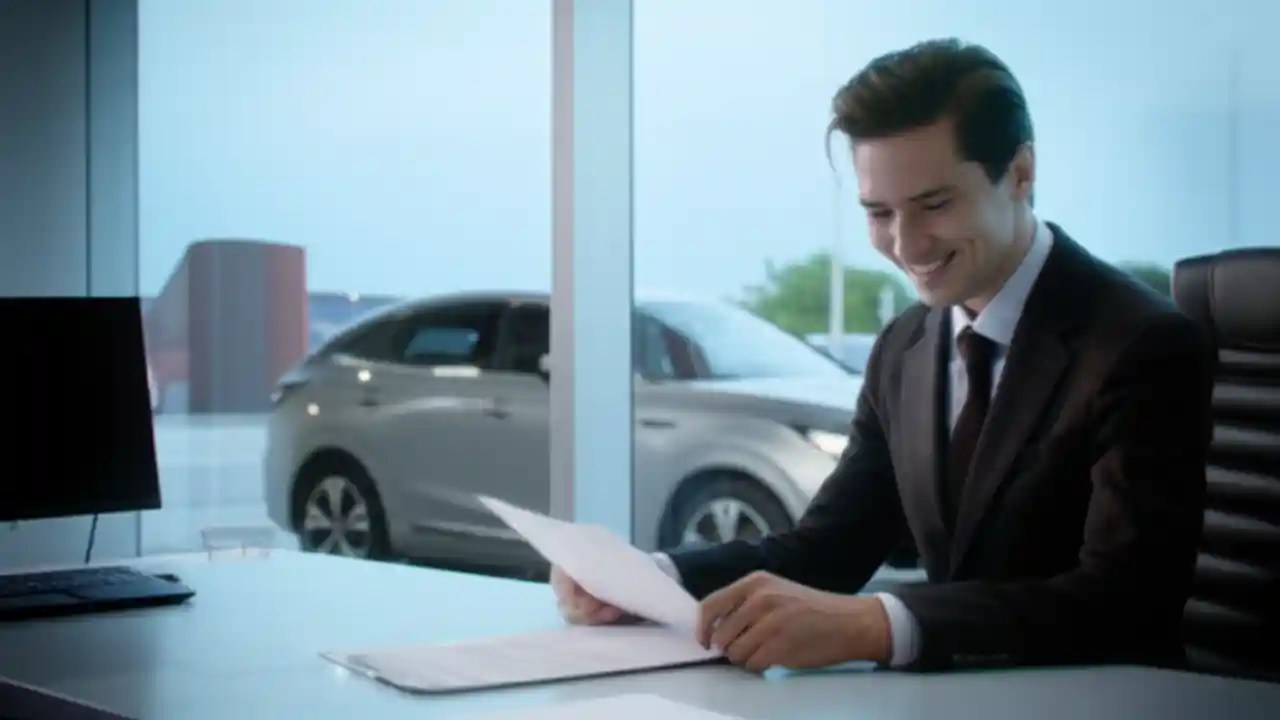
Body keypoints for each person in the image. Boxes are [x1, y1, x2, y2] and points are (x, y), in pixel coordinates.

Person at [552, 37, 1215, 673]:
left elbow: (1124, 602)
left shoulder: (1141, 344)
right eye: (879, 213)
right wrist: (649, 578)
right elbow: (832, 546)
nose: (907, 244)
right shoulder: (906, 346)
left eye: (935, 204)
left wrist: (876, 625)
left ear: (1020, 173)